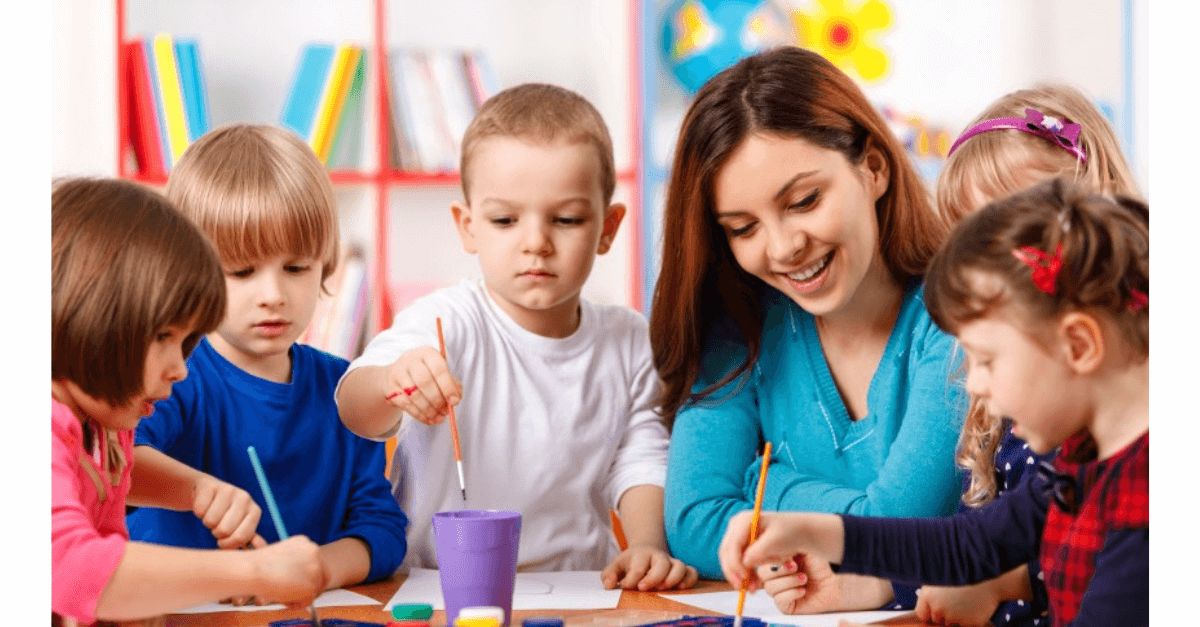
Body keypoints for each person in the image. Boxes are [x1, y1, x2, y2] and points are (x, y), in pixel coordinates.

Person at [719, 179, 1149, 627]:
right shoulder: (1081, 466)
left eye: (985, 360)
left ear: (1078, 346)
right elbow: (971, 546)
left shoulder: (1144, 509)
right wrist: (807, 529)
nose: (974, 385)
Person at [336, 83, 698, 591]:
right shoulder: (445, 322)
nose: (536, 243)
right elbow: (356, 409)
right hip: (437, 586)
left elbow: (643, 459)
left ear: (608, 228)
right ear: (467, 226)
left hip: (583, 586)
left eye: (566, 219)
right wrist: (394, 382)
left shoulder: (629, 339)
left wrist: (646, 547)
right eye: (505, 220)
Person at [650, 45, 966, 610]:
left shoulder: (956, 322)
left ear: (873, 168)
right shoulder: (740, 329)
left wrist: (760, 488)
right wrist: (846, 522)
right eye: (743, 228)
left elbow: (899, 532)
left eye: (804, 201)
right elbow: (694, 522)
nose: (783, 247)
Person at [126, 124, 409, 596]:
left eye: (296, 268)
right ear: (189, 274)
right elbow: (117, 466)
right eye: (241, 271)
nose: (274, 295)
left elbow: (381, 529)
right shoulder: (171, 378)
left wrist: (318, 568)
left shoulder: (347, 390)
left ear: (327, 266)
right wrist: (200, 491)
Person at [903, 83, 1145, 627]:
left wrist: (1001, 585)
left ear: (1093, 206)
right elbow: (982, 543)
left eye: (1006, 231)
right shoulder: (1003, 374)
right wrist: (858, 574)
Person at [52, 177, 325, 625]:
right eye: (163, 336)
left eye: (185, 342)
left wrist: (197, 490)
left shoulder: (101, 425)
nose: (180, 369)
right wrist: (253, 571)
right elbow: (71, 568)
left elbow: (102, 477)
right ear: (84, 318)